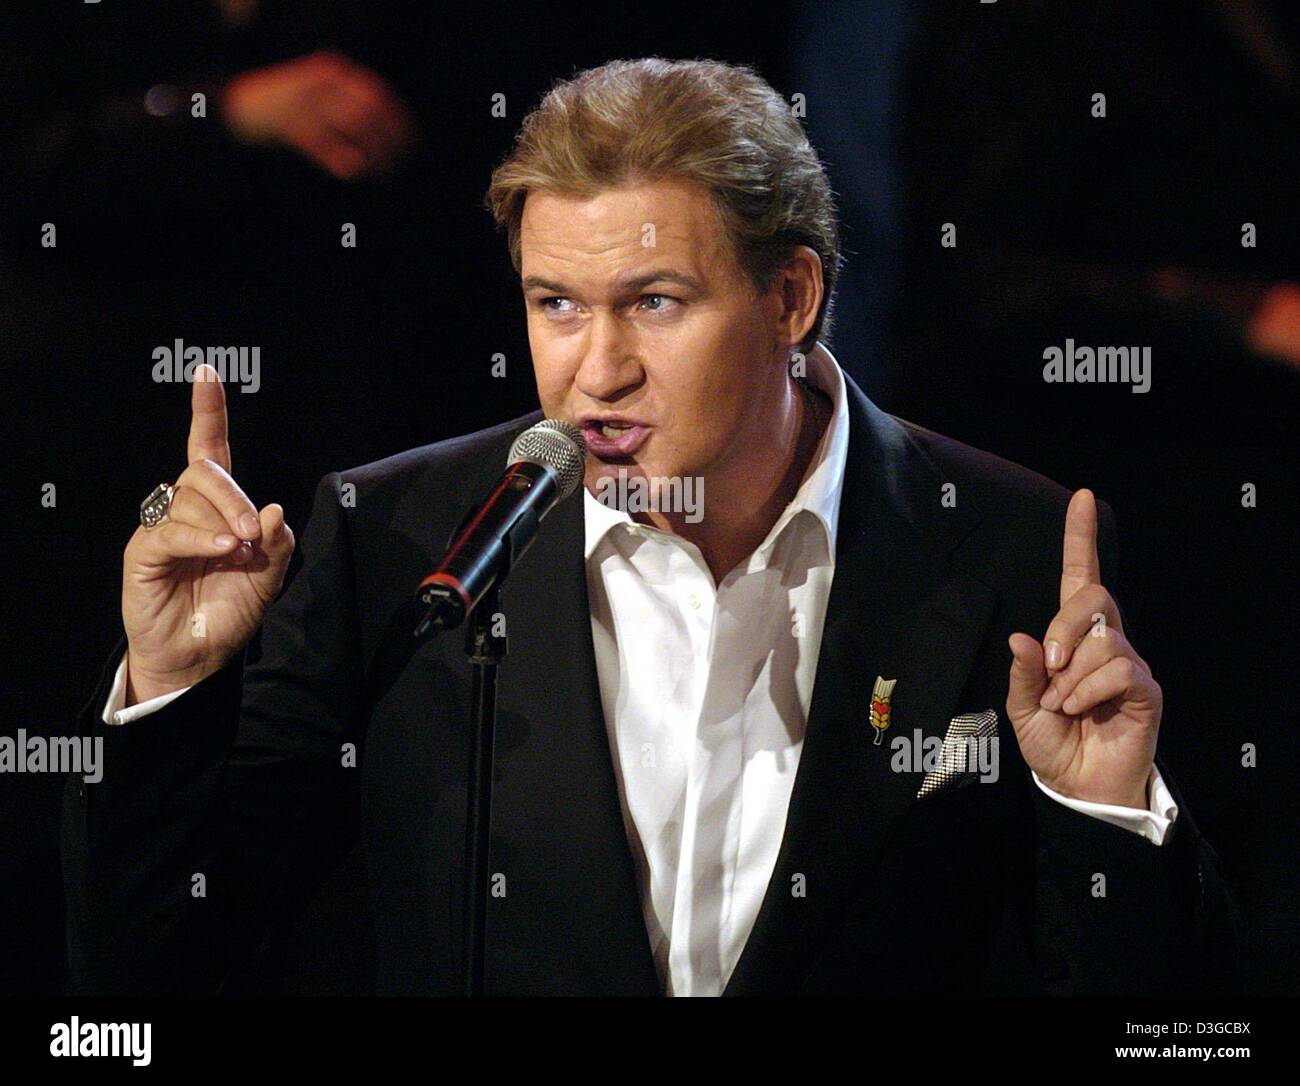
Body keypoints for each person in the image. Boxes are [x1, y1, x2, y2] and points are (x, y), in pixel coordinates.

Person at [63, 58, 1239, 996]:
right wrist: (167, 687)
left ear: (790, 297)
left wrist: (1103, 816)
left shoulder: (1009, 544)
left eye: (655, 303)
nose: (597, 371)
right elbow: (154, 970)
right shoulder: (403, 543)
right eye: (556, 305)